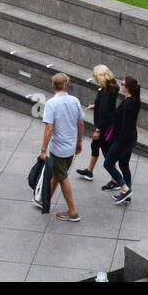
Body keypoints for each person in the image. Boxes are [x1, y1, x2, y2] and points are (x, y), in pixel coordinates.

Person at [39, 72, 84, 222]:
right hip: (71, 147)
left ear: (53, 86)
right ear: (66, 85)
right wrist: (79, 142)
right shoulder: (75, 101)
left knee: (62, 177)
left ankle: (73, 212)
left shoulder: (51, 104)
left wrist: (43, 150)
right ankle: (46, 199)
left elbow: (49, 128)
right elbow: (81, 123)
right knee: (58, 174)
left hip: (58, 149)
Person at [78, 65, 120, 182]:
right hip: (107, 124)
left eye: (95, 75)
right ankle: (89, 171)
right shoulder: (111, 87)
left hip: (104, 127)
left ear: (100, 76)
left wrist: (98, 130)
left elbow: (104, 112)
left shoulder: (106, 91)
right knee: (95, 146)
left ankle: (115, 180)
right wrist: (96, 106)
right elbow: (107, 107)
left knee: (107, 154)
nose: (94, 78)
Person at [104, 76, 141, 205]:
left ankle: (125, 190)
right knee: (124, 165)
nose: (122, 85)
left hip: (124, 140)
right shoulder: (133, 100)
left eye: (123, 84)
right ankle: (127, 195)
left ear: (128, 87)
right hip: (130, 139)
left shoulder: (128, 104)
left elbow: (125, 126)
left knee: (108, 163)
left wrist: (118, 145)